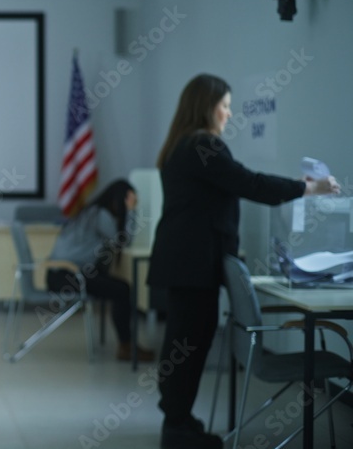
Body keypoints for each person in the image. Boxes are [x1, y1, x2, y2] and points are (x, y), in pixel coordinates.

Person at [148, 74, 340, 449]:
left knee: (182, 344)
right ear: (206, 107)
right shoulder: (203, 145)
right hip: (193, 263)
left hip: (184, 260)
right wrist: (307, 188)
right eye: (224, 106)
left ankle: (178, 421)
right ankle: (177, 429)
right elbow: (249, 183)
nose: (228, 113)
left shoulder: (179, 146)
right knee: (188, 344)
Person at [46, 179, 155, 362]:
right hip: (69, 276)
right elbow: (123, 241)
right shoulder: (101, 215)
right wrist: (132, 211)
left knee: (114, 285)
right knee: (121, 289)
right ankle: (126, 347)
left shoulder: (90, 212)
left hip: (59, 275)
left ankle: (126, 344)